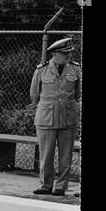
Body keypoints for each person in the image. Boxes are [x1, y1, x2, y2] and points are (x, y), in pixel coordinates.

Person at [29, 36, 81, 196]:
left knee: (66, 156)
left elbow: (77, 94)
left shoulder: (75, 69)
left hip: (67, 117)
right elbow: (34, 95)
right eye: (65, 54)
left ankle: (61, 186)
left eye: (69, 53)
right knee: (46, 154)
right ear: (55, 54)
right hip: (46, 118)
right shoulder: (41, 70)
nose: (69, 56)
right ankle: (46, 185)